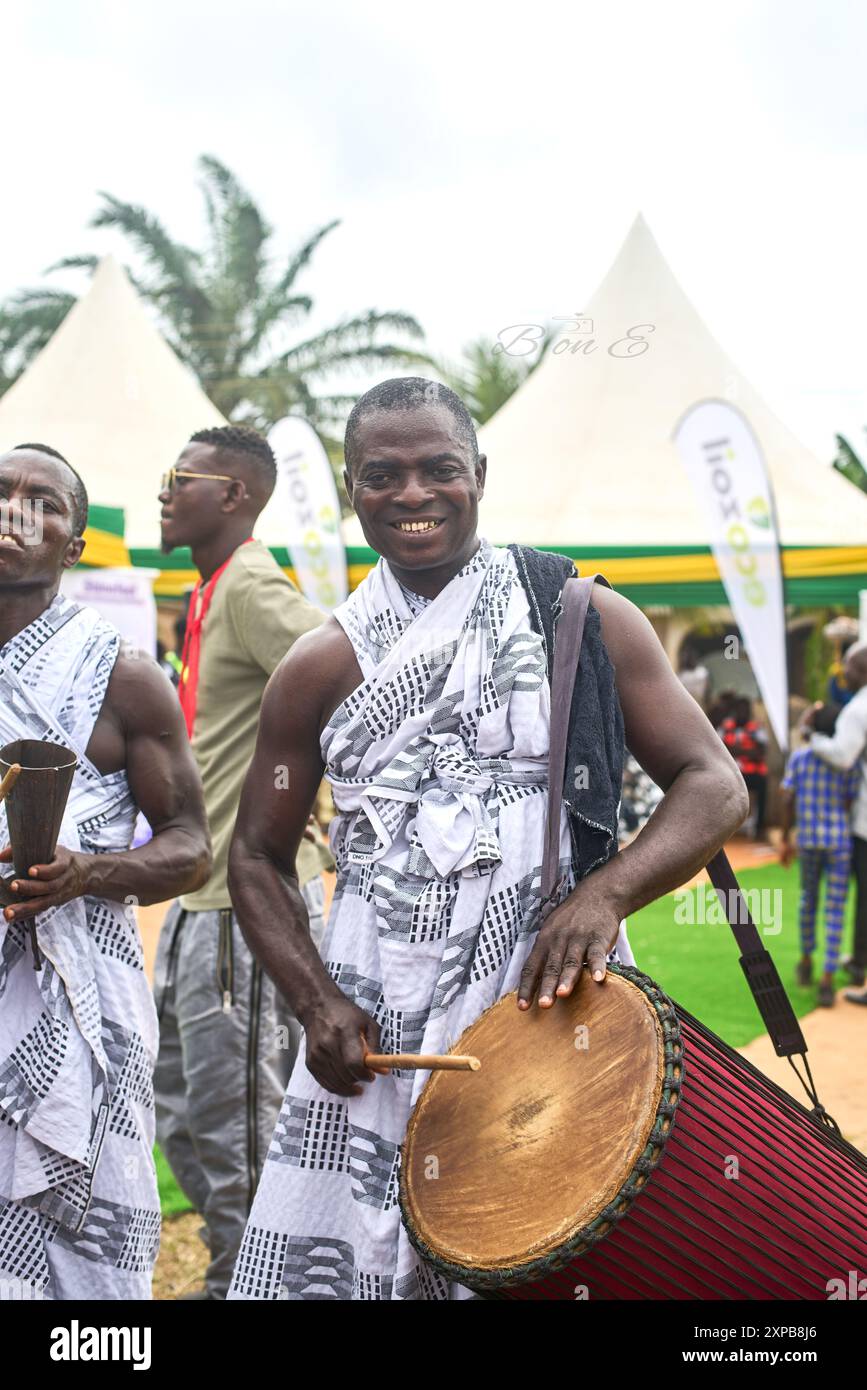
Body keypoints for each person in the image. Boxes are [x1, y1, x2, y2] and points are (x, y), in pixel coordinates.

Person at [225, 378, 748, 1301]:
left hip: (552, 992)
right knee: (365, 1250)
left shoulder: (582, 617)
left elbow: (714, 786)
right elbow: (256, 855)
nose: (412, 494)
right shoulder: (319, 665)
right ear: (353, 489)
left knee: (551, 1233)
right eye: (382, 475)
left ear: (480, 476)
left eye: (439, 469)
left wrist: (603, 895)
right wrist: (316, 1005)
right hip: (377, 1010)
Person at [0, 443, 210, 1300]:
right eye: (1, 494)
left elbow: (190, 845)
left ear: (75, 544)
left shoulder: (119, 674)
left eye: (43, 503)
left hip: (84, 999)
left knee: (83, 1256)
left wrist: (86, 872)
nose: (16, 513)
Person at [152, 424, 332, 1300]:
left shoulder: (254, 584)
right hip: (198, 904)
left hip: (244, 906)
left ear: (235, 496)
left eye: (178, 477)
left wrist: (306, 810)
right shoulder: (209, 591)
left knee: (242, 1133)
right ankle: (243, 1274)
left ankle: (254, 1287)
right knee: (180, 1111)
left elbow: (352, 674)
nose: (161, 490)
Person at [779, 704, 859, 1006]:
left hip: (810, 841)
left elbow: (787, 797)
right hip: (839, 842)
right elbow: (851, 798)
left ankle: (806, 960)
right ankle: (827, 977)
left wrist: (787, 838)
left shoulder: (800, 758)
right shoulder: (845, 763)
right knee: (836, 907)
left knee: (808, 901)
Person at [805, 641, 867, 1002]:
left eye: (850, 666)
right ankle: (857, 959)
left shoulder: (858, 709)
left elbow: (843, 756)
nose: (844, 671)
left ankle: (860, 970)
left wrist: (813, 741)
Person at [719, 697, 768, 838]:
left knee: (763, 783)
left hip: (752, 773)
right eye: (739, 709)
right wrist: (748, 751)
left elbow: (761, 752)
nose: (742, 713)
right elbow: (718, 748)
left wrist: (736, 750)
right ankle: (722, 829)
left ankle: (759, 828)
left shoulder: (756, 728)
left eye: (745, 710)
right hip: (730, 773)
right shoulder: (726, 726)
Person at [677, 645, 710, 710]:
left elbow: (707, 689)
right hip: (686, 704)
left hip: (699, 703)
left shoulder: (702, 672)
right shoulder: (682, 675)